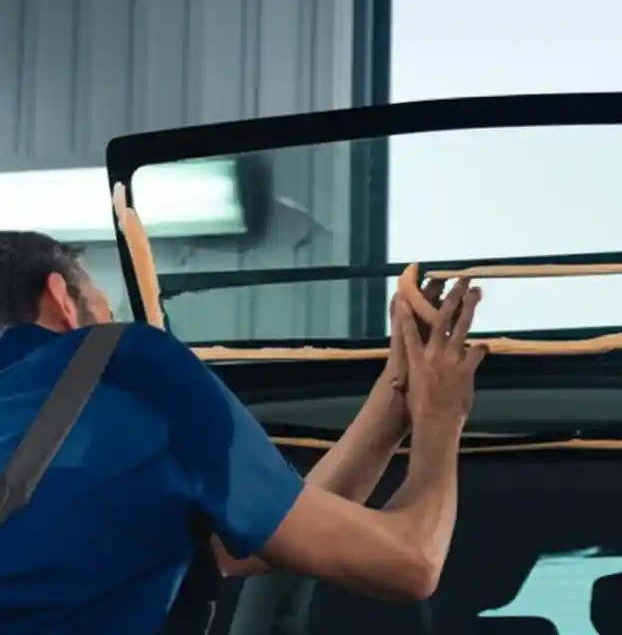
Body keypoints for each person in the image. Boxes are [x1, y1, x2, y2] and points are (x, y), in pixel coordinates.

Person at [0, 231, 487, 633]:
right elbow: (412, 562)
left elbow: (255, 539)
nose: (109, 324)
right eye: (105, 310)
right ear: (61, 298)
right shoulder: (126, 366)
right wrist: (442, 416)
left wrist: (398, 391)